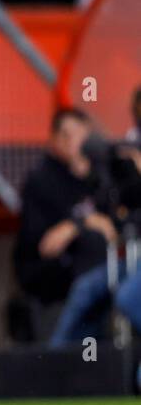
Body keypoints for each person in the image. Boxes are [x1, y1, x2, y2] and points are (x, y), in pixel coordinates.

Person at [15, 108, 141, 345]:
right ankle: (57, 361)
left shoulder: (103, 173)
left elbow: (121, 222)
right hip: (56, 279)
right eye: (66, 135)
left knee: (118, 292)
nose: (74, 142)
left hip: (112, 268)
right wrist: (83, 222)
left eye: (80, 135)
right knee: (91, 289)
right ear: (54, 139)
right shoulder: (42, 181)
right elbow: (45, 246)